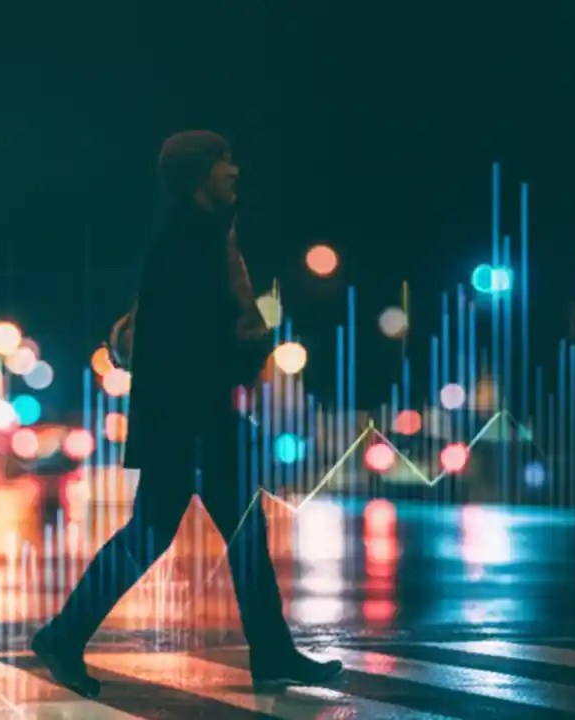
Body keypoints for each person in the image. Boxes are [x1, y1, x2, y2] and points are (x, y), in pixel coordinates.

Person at [32, 130, 342, 697]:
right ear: (198, 174)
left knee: (231, 534)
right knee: (157, 536)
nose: (235, 170)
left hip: (195, 419)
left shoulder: (201, 238)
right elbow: (182, 344)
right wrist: (246, 350)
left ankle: (270, 653)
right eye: (224, 161)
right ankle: (63, 634)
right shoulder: (184, 245)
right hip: (189, 422)